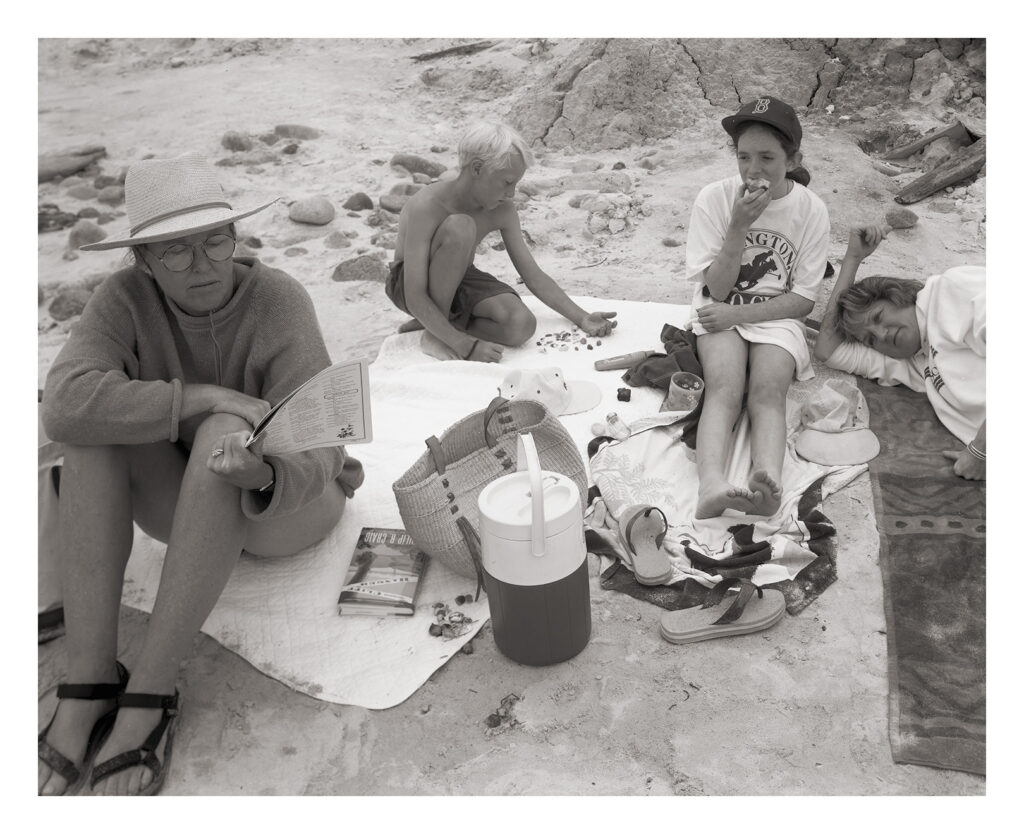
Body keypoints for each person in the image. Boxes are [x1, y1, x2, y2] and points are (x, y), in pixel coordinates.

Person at [38, 152, 364, 796]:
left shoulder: (278, 300)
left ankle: (150, 696)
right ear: (144, 261)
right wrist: (201, 397)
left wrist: (259, 472)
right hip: (189, 502)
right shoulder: (124, 300)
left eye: (215, 240)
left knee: (224, 436)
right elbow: (64, 403)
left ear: (235, 236)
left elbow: (325, 444)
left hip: (286, 502)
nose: (203, 263)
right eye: (176, 251)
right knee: (90, 437)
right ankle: (90, 682)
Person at [685, 97, 830, 518]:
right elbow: (716, 288)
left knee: (768, 392)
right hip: (719, 305)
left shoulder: (809, 209)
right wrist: (738, 227)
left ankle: (767, 480)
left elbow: (802, 300)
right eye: (744, 157)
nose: (753, 170)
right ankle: (711, 484)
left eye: (767, 157)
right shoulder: (714, 199)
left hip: (775, 313)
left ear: (793, 159)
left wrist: (739, 314)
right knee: (724, 387)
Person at [385, 121, 618, 362]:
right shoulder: (428, 205)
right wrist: (462, 345)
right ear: (476, 169)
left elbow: (532, 275)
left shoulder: (502, 209)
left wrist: (581, 317)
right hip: (408, 283)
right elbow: (414, 293)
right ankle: (436, 335)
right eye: (507, 182)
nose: (511, 193)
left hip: (459, 276)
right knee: (461, 226)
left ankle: (434, 321)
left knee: (522, 325)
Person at [813, 224, 985, 480]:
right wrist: (852, 259)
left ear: (898, 297)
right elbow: (828, 349)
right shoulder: (913, 362)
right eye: (871, 340)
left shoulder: (951, 290)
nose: (882, 334)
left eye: (879, 316)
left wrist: (981, 452)